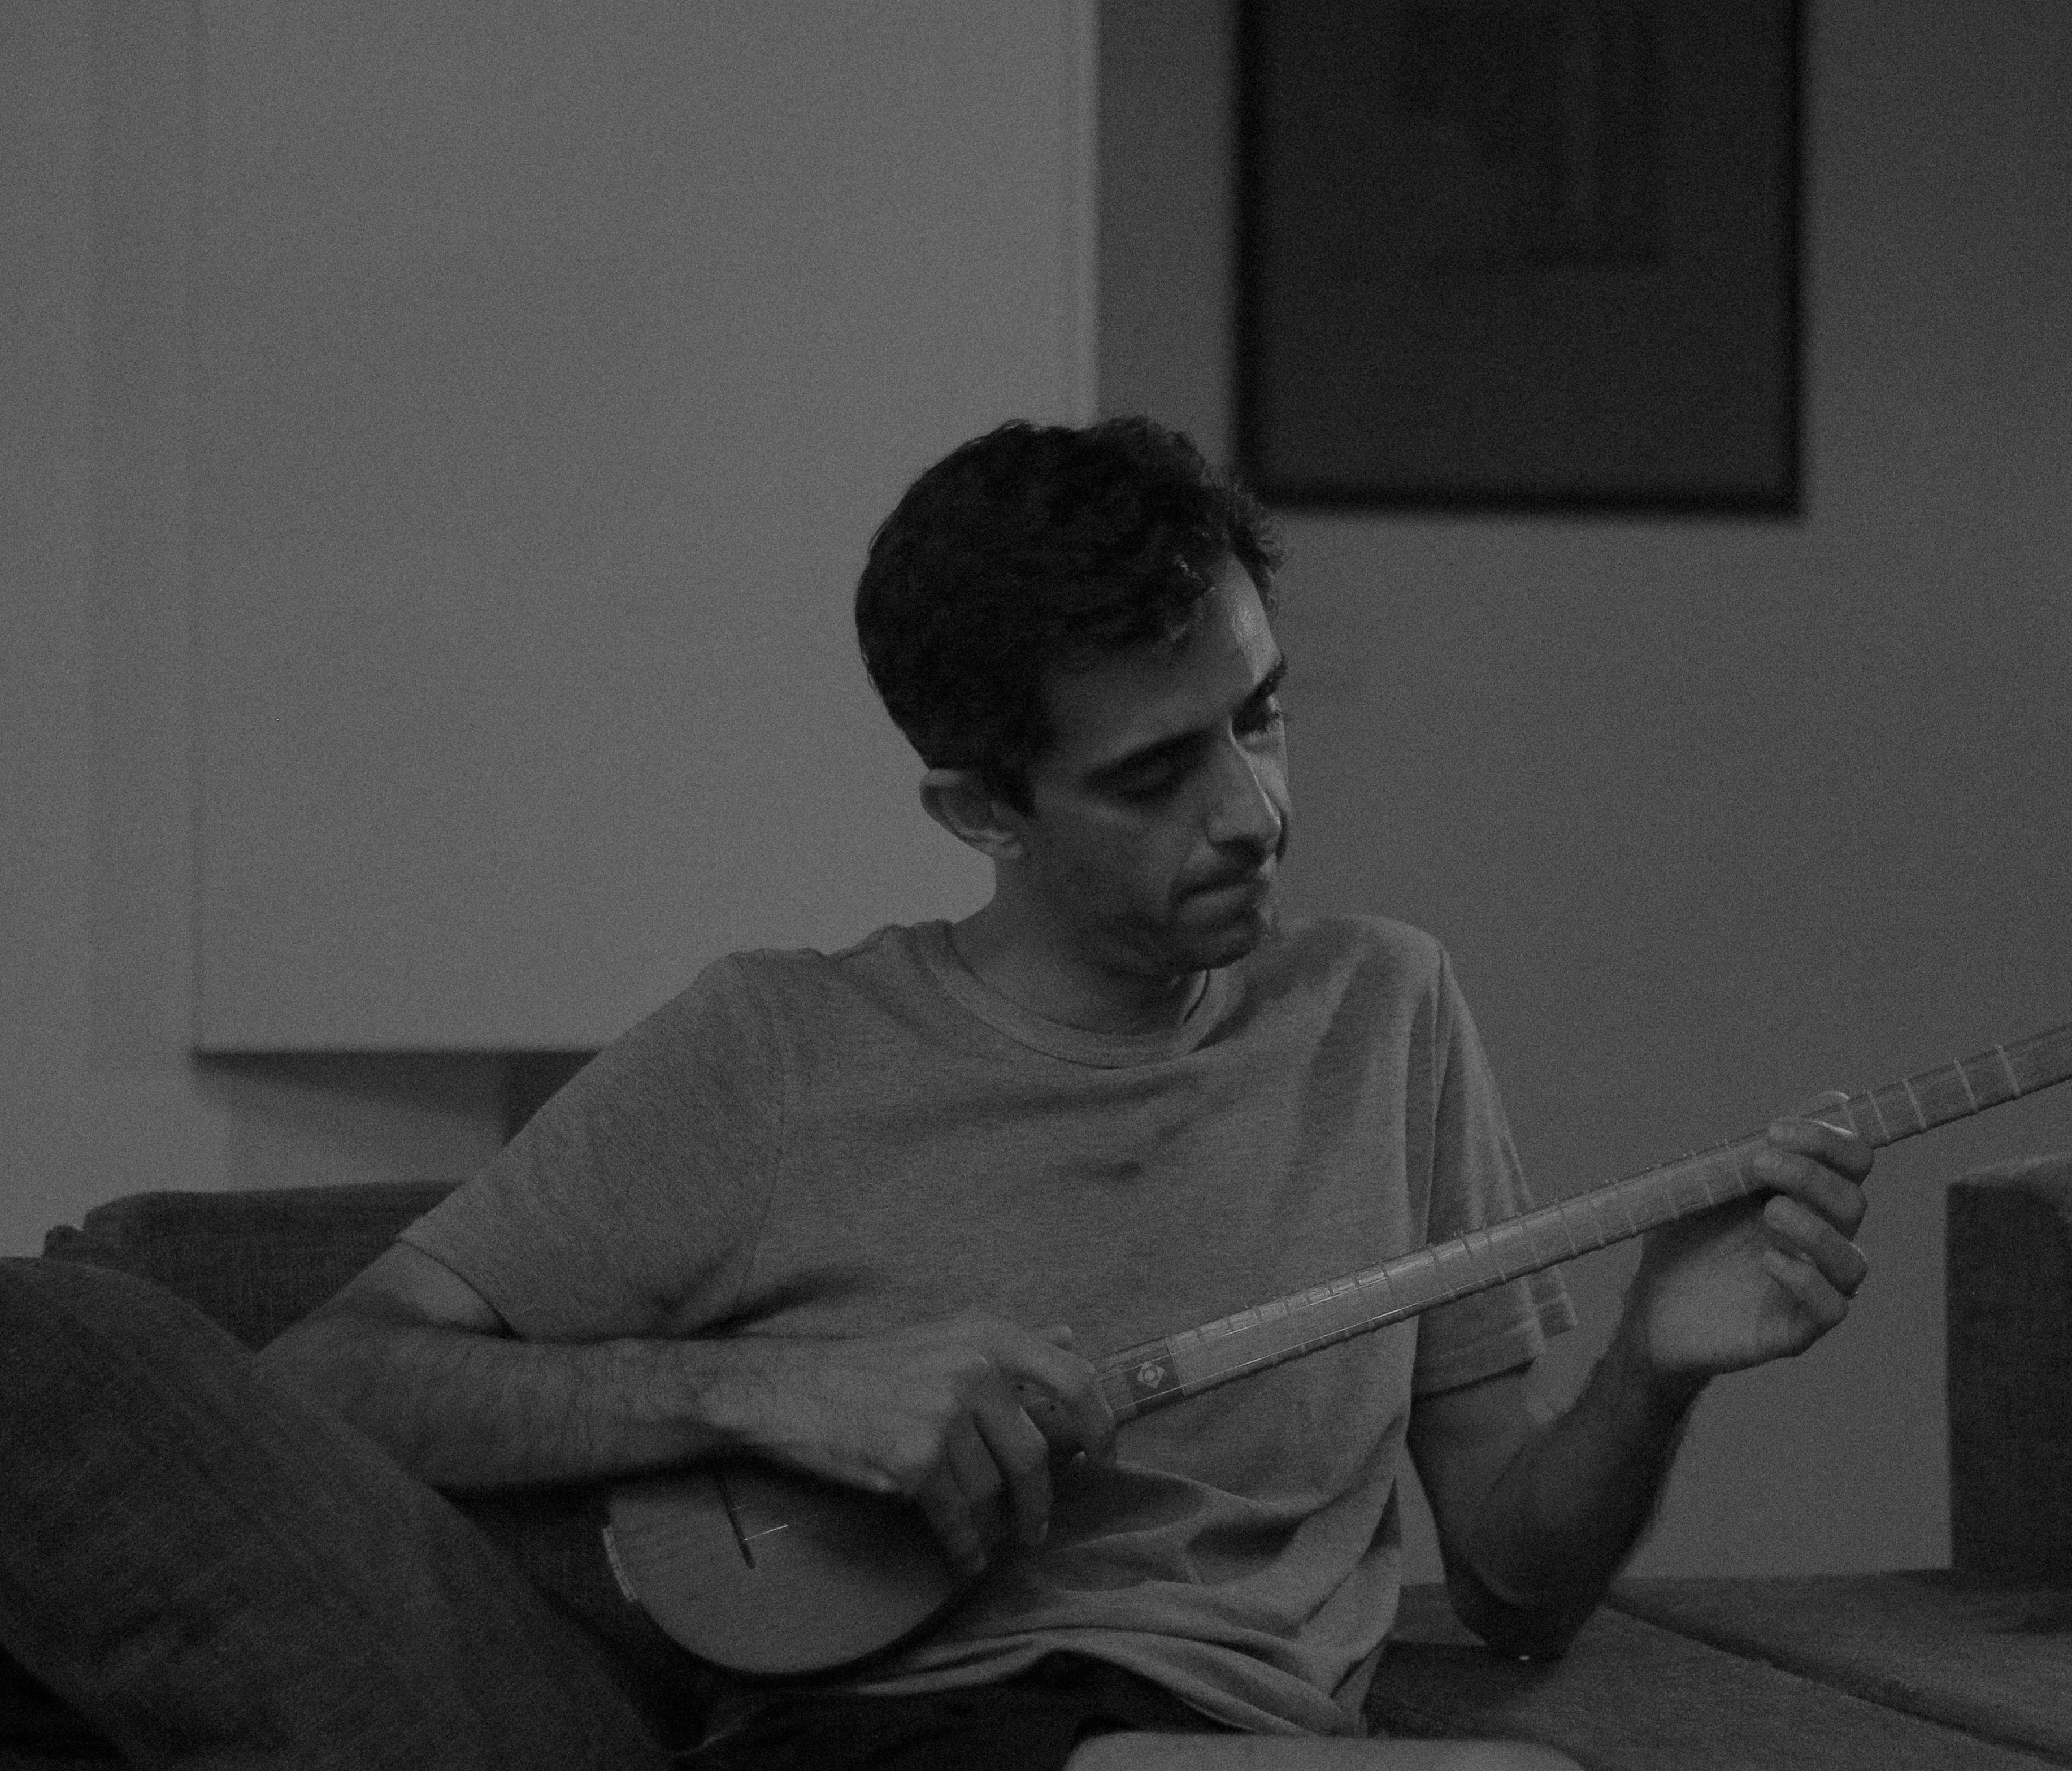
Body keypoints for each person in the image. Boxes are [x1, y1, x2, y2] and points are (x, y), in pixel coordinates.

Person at [262, 418, 1873, 1771]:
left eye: (1260, 716)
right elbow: (326, 1381)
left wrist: (1657, 1370)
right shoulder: (768, 1048)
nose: (1251, 811)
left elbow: (1519, 1591)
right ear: (980, 810)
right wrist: (749, 1392)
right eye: (1153, 774)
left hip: (1235, 1742)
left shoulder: (1387, 1012)